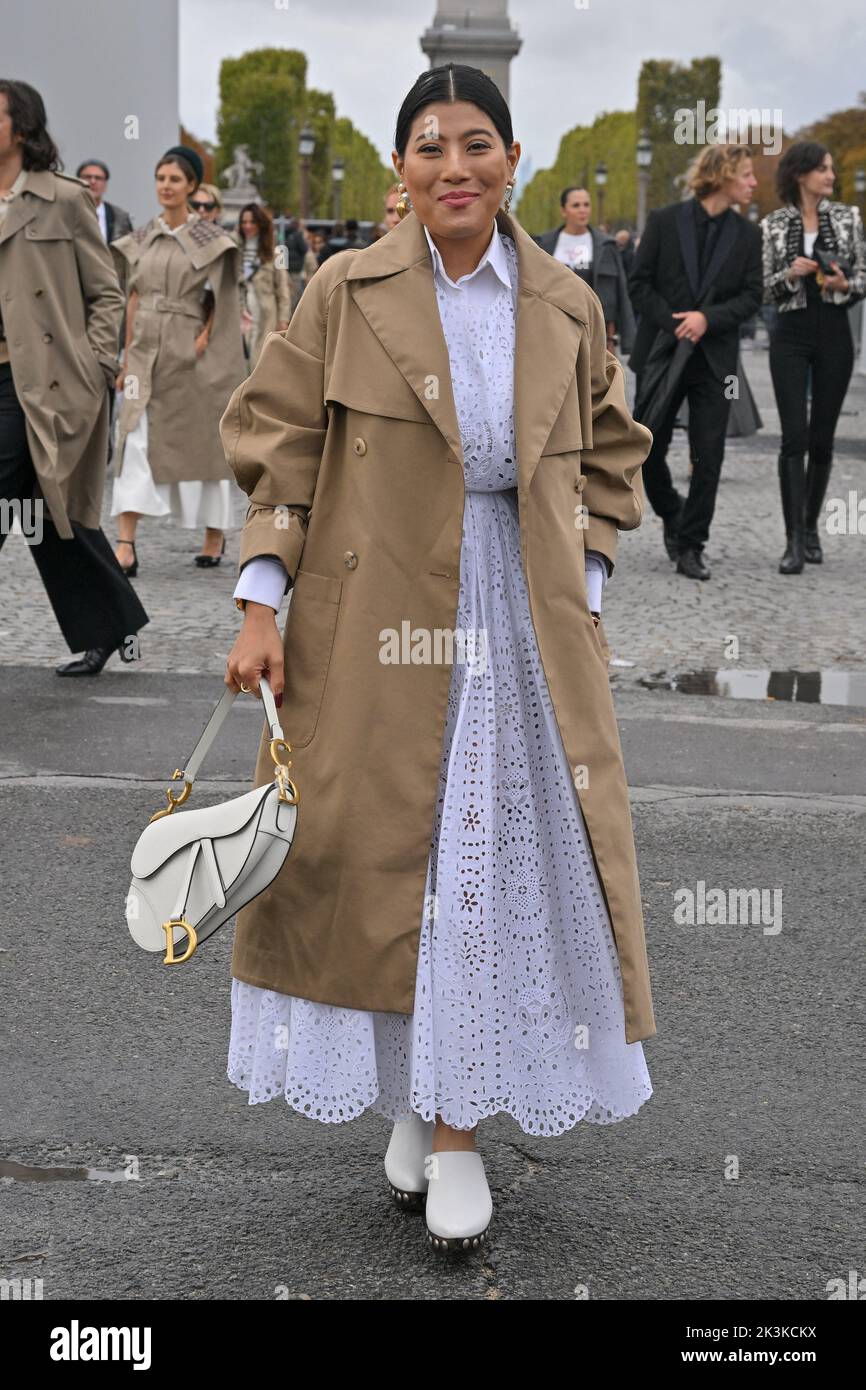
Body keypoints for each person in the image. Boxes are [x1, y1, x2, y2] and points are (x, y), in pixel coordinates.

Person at [219, 62, 655, 1255]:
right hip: (372, 620)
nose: (453, 167)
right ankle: (430, 1104)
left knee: (484, 858)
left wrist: (589, 573)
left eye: (475, 144)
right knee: (394, 860)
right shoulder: (342, 289)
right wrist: (260, 602)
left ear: (513, 160)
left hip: (517, 617)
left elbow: (613, 454)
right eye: (427, 146)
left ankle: (449, 1122)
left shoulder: (565, 301)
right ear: (400, 167)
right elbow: (278, 442)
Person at [0, 78, 147, 676]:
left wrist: (96, 363)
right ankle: (111, 623)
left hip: (43, 380)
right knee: (45, 508)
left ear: (23, 127)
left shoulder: (62, 198)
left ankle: (108, 622)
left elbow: (106, 292)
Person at [628, 144, 763, 579]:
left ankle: (691, 545)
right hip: (664, 353)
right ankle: (673, 510)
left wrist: (708, 319)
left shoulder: (749, 235)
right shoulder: (665, 222)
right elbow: (640, 284)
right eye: (746, 174)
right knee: (648, 448)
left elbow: (752, 298)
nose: (753, 182)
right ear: (723, 175)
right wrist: (675, 322)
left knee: (710, 455)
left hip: (715, 361)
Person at [109, 145, 246, 572]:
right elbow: (132, 297)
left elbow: (222, 301)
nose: (165, 186)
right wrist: (125, 357)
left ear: (191, 186)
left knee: (204, 443)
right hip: (145, 353)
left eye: (174, 179)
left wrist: (204, 343)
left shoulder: (209, 240)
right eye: (160, 178)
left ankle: (214, 534)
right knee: (133, 440)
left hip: (187, 355)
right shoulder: (142, 237)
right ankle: (125, 541)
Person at [762, 141, 866, 572]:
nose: (831, 175)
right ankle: (792, 543)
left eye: (831, 168)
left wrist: (843, 284)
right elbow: (765, 288)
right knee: (793, 439)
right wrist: (791, 274)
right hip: (789, 334)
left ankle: (809, 528)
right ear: (801, 174)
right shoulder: (772, 224)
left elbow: (862, 276)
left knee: (822, 438)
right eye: (823, 168)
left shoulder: (848, 217)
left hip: (834, 334)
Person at [535, 187, 635, 353]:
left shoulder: (606, 245)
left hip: (596, 334)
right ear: (563, 211)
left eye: (586, 205)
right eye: (576, 205)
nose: (583, 210)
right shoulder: (544, 244)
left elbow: (620, 292)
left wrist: (621, 339)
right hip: (553, 331)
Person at [236, 203, 290, 368]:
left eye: (252, 222)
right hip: (240, 312)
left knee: (261, 361)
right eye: (244, 222)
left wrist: (283, 319)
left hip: (266, 314)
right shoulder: (235, 249)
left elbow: (283, 287)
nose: (248, 226)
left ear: (261, 224)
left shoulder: (280, 251)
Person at [76, 158, 132, 243]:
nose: (93, 181)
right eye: (87, 177)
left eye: (98, 178)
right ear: (77, 181)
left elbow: (130, 250)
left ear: (105, 184)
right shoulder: (66, 212)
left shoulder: (120, 217)